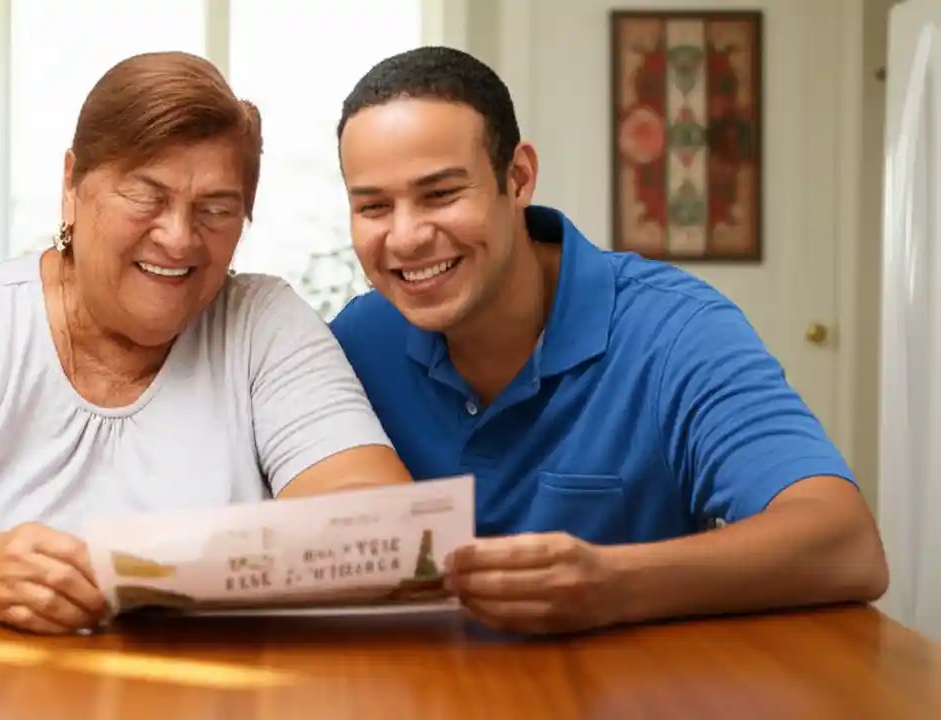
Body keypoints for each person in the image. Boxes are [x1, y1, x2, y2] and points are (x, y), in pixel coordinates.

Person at [0, 52, 411, 635]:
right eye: (146, 195)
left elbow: (380, 524)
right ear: (72, 185)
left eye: (216, 209)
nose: (179, 238)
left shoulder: (264, 322)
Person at [330, 47, 888, 635]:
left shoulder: (676, 331)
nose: (406, 237)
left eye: (441, 194)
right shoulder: (356, 341)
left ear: (517, 179)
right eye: (374, 206)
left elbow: (845, 544)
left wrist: (612, 584)